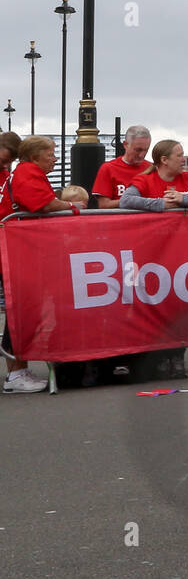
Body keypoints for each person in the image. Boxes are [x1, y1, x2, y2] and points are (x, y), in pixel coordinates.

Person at [120, 140, 188, 378]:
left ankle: (177, 357)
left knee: (181, 306)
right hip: (151, 255)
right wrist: (160, 204)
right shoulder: (145, 180)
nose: (183, 159)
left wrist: (184, 200)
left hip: (183, 253)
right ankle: (161, 357)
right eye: (179, 155)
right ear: (164, 160)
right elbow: (127, 201)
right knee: (156, 306)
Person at [5, 137, 77, 393]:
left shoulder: (25, 172)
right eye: (51, 154)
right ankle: (15, 374)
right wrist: (73, 207)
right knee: (21, 310)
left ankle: (17, 371)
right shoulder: (28, 173)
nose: (55, 159)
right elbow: (46, 204)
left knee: (23, 310)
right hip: (18, 250)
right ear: (35, 157)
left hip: (20, 249)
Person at [92, 126, 152, 208]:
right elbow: (104, 205)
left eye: (146, 150)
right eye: (138, 150)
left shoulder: (152, 168)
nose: (142, 155)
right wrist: (135, 201)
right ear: (125, 145)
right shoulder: (108, 168)